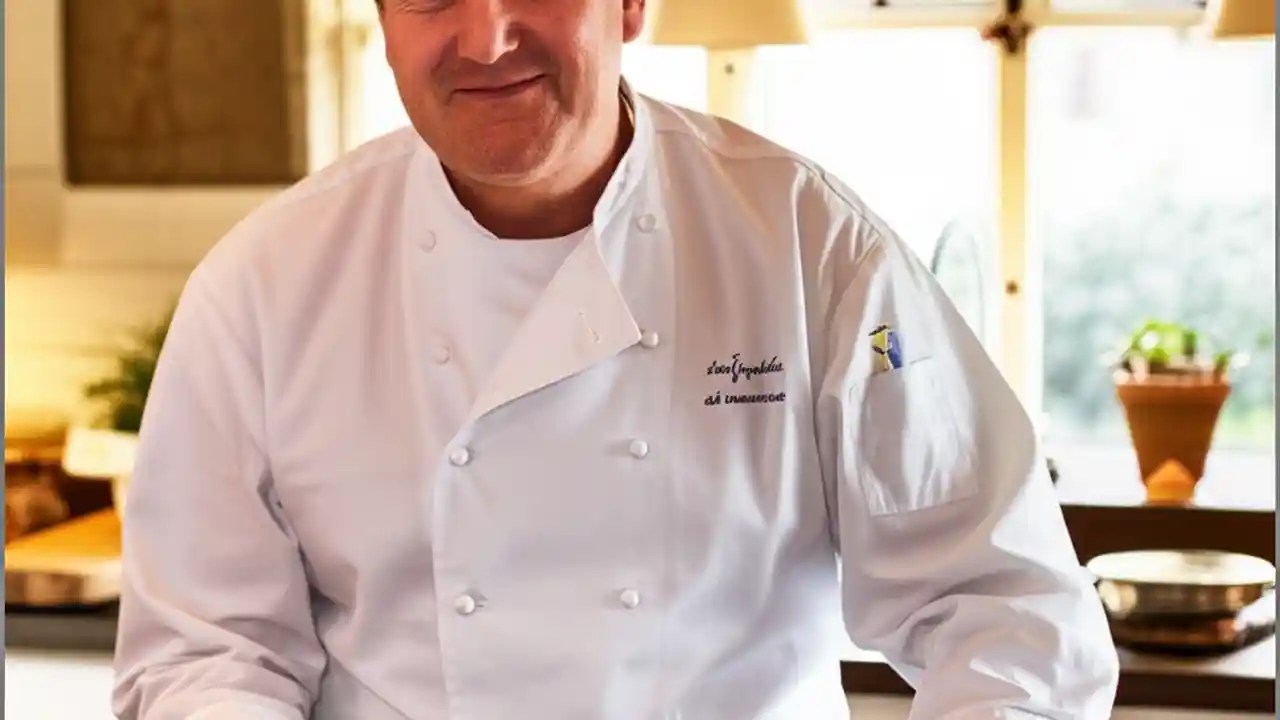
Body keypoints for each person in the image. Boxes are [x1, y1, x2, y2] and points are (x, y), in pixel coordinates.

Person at [112, 0, 1120, 718]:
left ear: (631, 4)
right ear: (382, 21)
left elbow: (1002, 609)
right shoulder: (263, 285)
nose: (485, 34)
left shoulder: (808, 244)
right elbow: (208, 655)